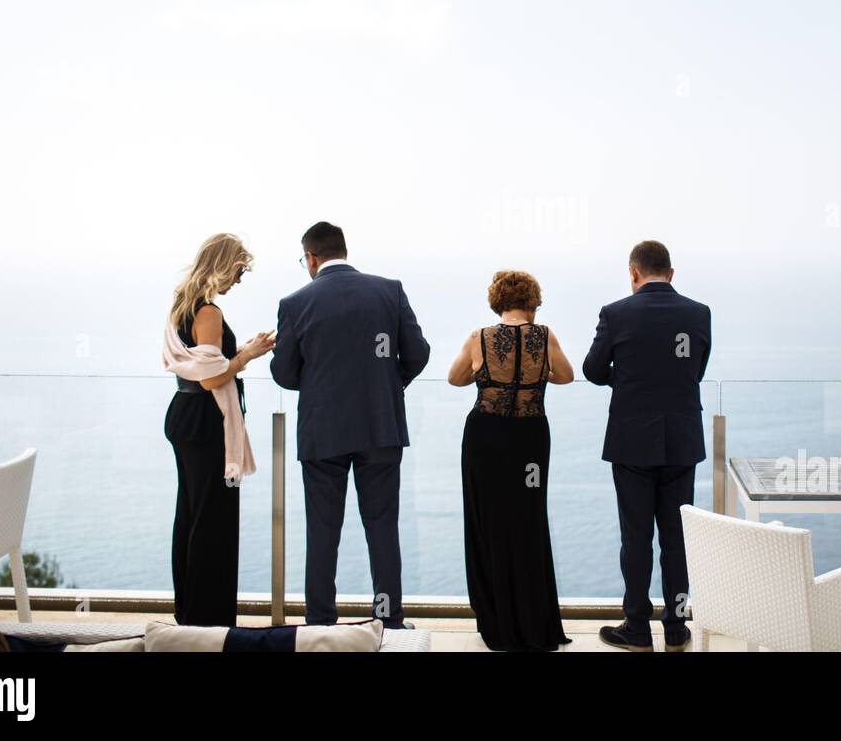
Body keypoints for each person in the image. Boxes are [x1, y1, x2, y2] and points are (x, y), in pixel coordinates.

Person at [270, 222, 430, 629]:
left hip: (322, 432)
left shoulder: (294, 303)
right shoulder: (388, 290)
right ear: (343, 250)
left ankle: (321, 623)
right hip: (380, 427)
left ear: (310, 258)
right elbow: (418, 353)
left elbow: (285, 374)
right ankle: (388, 619)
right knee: (381, 527)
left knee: (322, 532)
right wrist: (390, 382)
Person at [583, 240, 712, 652]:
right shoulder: (698, 313)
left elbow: (592, 369)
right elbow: (695, 369)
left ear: (633, 274)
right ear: (671, 273)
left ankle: (636, 625)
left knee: (635, 537)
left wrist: (625, 378)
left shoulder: (616, 313)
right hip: (681, 439)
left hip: (632, 441)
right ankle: (676, 625)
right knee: (675, 538)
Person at [447, 270, 575, 652]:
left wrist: (484, 372)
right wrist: (535, 373)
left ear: (498, 301)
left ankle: (497, 620)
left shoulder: (479, 338)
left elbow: (455, 379)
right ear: (531, 302)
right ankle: (533, 619)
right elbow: (566, 376)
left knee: (488, 521)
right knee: (528, 520)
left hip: (486, 439)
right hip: (529, 440)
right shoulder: (544, 335)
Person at [162, 233, 275, 627]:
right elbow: (211, 379)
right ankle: (208, 619)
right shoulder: (207, 312)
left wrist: (234, 354)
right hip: (205, 422)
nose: (239, 280)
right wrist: (246, 356)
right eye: (239, 271)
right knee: (214, 520)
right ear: (223, 265)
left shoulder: (181, 305)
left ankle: (189, 610)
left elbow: (203, 363)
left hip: (185, 416)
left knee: (192, 514)